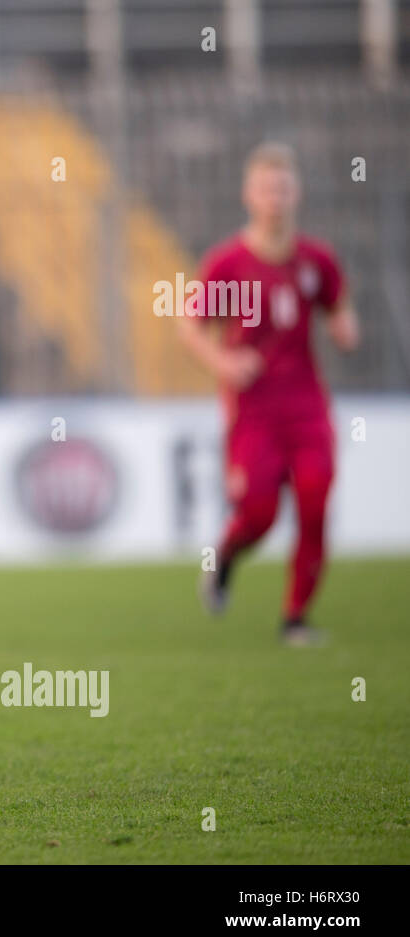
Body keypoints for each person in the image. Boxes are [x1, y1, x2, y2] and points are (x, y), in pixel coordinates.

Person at [178, 142, 359, 645]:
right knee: (258, 514)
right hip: (253, 410)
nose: (274, 198)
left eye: (282, 188)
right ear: (248, 195)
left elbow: (340, 310)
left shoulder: (317, 259)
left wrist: (346, 328)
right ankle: (224, 561)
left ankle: (295, 617)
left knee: (315, 500)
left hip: (306, 405)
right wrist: (225, 363)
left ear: (295, 193)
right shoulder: (228, 263)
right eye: (265, 188)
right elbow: (190, 328)